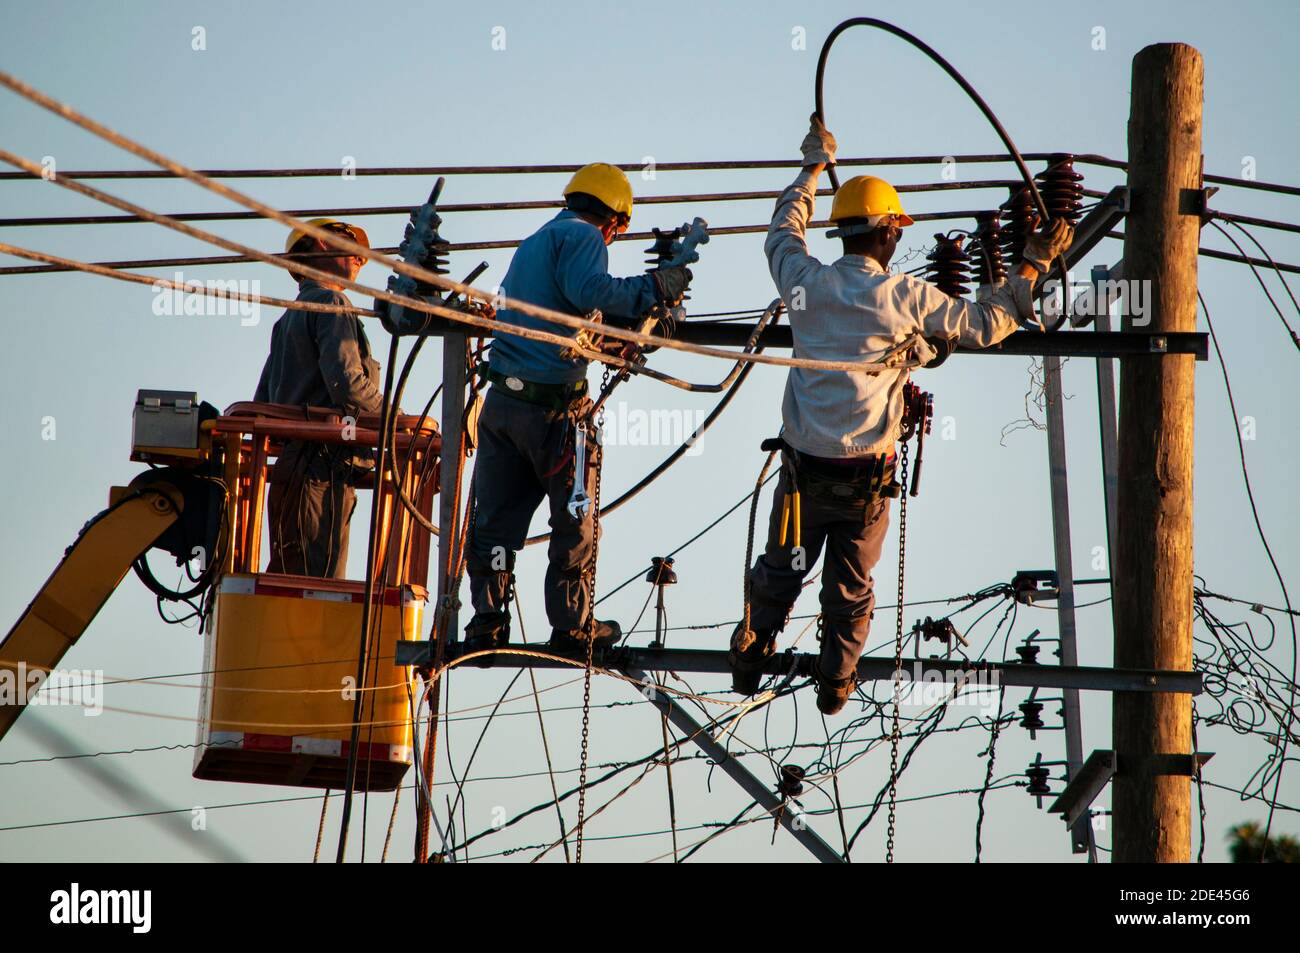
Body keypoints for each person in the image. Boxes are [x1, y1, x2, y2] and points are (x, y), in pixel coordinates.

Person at [730, 116, 1074, 714]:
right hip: (862, 484)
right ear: (889, 234)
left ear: (840, 233)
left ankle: (754, 646)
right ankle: (836, 680)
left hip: (803, 475)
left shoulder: (805, 283)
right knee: (850, 587)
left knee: (782, 569)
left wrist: (812, 165)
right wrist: (1031, 263)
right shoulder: (905, 297)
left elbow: (782, 232)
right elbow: (991, 324)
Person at [464, 163, 692, 656]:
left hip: (503, 409)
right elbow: (591, 291)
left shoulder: (535, 241)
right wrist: (655, 289)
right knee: (573, 522)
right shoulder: (584, 237)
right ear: (614, 220)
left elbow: (573, 305)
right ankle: (570, 625)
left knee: (497, 524)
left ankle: (487, 619)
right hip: (552, 418)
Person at [254, 218, 385, 578]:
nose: (362, 260)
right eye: (355, 249)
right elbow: (349, 386)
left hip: (294, 469)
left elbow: (263, 400)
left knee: (293, 576)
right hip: (322, 468)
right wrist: (400, 422)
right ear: (324, 244)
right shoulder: (331, 302)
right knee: (318, 585)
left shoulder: (288, 319)